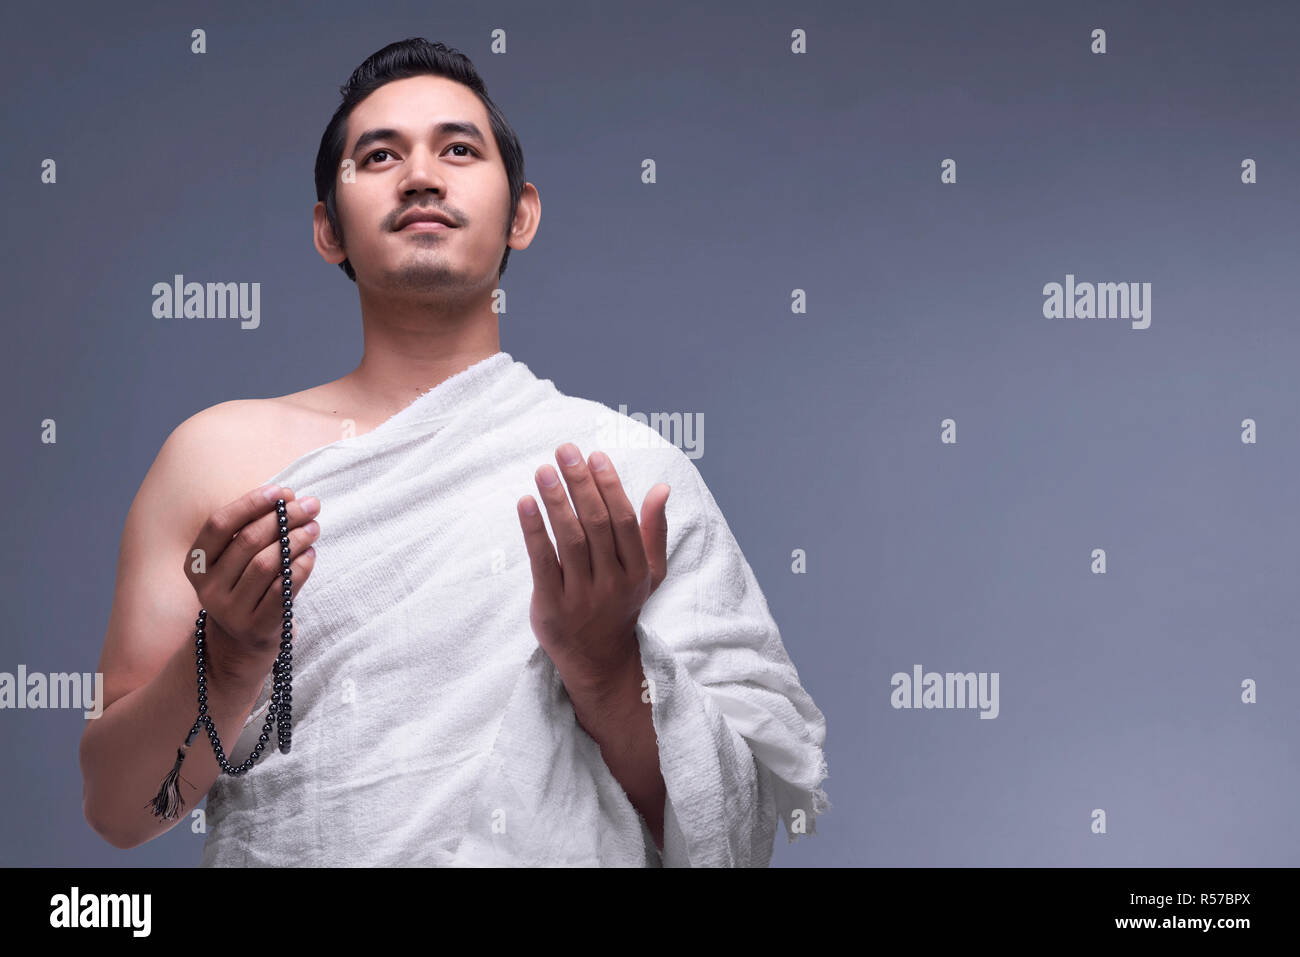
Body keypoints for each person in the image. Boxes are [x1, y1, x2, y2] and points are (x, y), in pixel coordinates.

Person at [79, 38, 828, 866]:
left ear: (522, 215)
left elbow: (736, 826)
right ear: (329, 228)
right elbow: (119, 806)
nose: (422, 177)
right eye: (379, 155)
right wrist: (228, 658)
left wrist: (609, 667)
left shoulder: (627, 470)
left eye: (459, 150)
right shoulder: (215, 461)